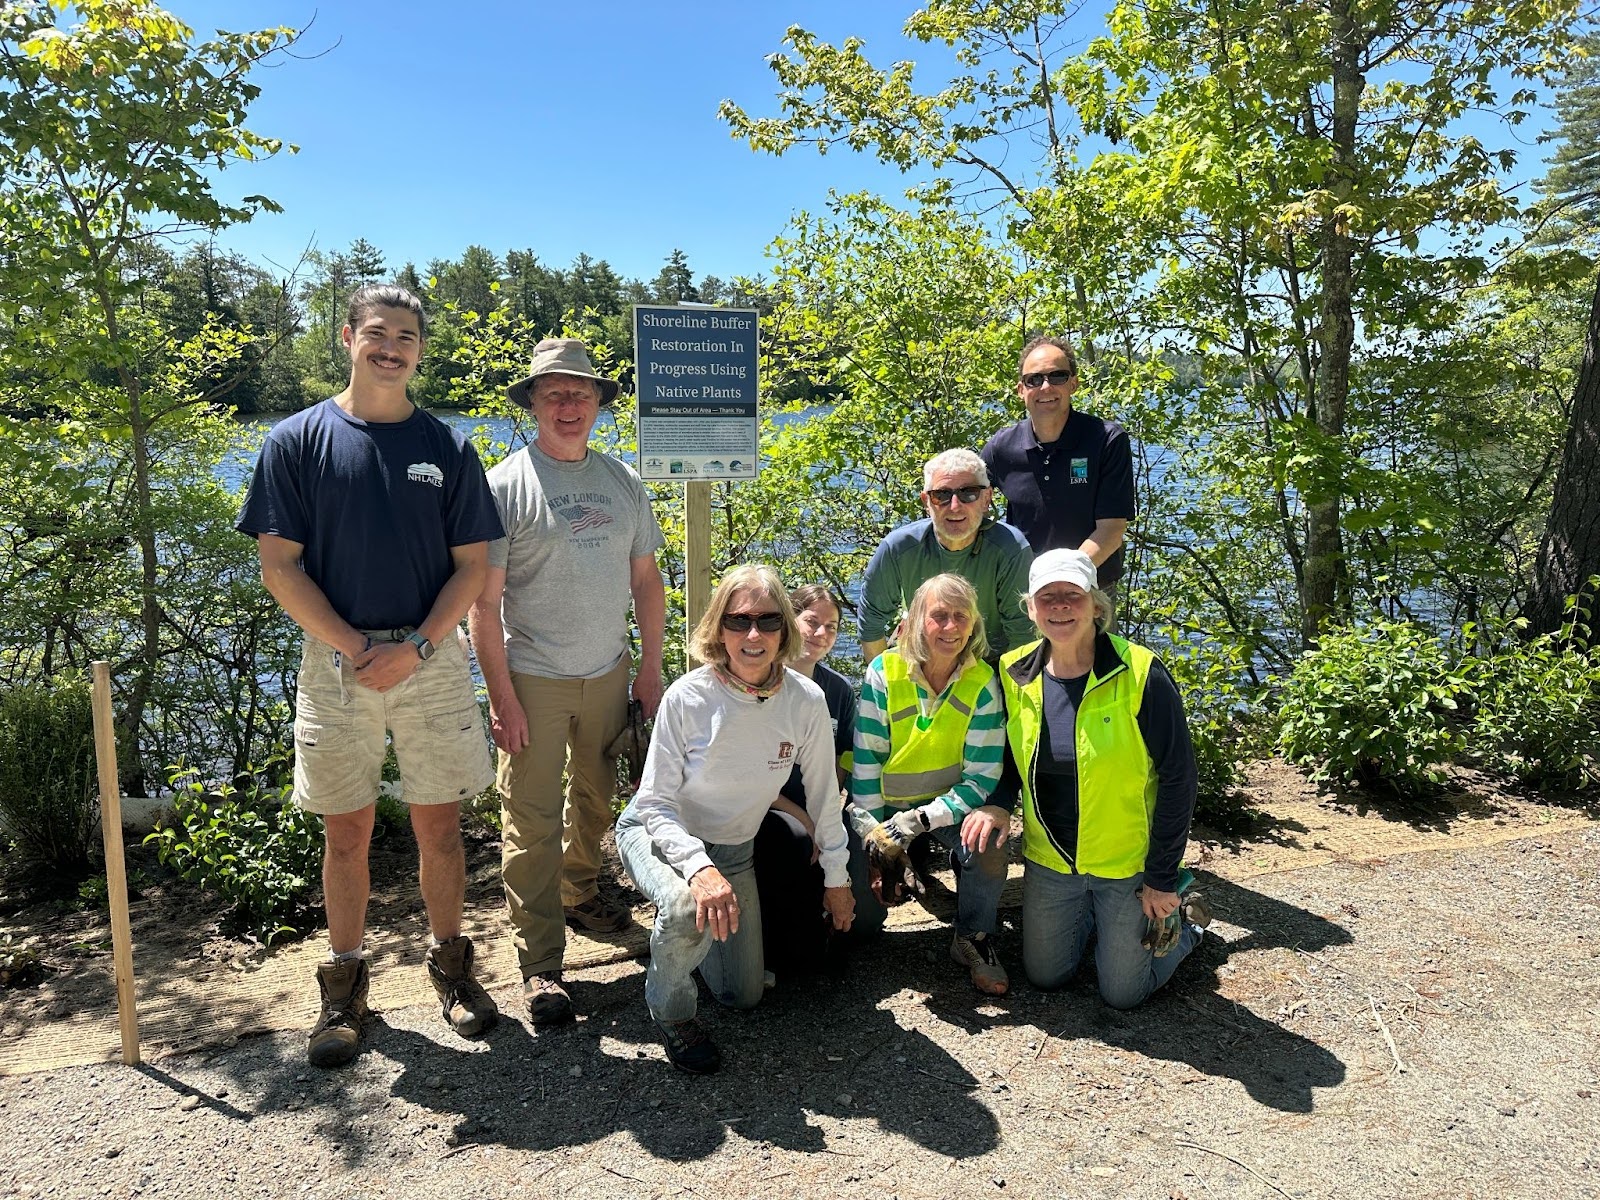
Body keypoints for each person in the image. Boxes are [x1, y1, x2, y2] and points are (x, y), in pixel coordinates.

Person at [237, 284, 503, 1068]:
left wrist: (416, 646)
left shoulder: (448, 448)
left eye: (408, 337)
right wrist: (357, 649)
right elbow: (279, 569)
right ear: (348, 337)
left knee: (440, 827)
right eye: (378, 333)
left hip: (430, 661)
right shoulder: (296, 441)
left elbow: (473, 570)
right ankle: (345, 988)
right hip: (336, 663)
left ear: (422, 350)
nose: (392, 347)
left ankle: (452, 970)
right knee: (345, 830)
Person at [466, 338, 666, 1027]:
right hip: (534, 679)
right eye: (554, 393)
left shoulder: (622, 482)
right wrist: (501, 697)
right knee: (530, 821)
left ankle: (581, 892)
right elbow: (481, 606)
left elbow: (646, 581)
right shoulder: (502, 487)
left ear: (599, 404)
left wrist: (647, 667)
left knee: (598, 802)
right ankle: (540, 964)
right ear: (533, 403)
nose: (569, 404)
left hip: (608, 670)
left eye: (581, 392)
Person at [615, 566, 855, 1074]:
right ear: (717, 628)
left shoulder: (805, 701)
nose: (753, 635)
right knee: (684, 906)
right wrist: (699, 872)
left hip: (734, 850)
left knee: (741, 996)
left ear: (785, 629)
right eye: (738, 620)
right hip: (658, 834)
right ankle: (671, 1010)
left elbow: (825, 797)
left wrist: (838, 880)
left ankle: (683, 946)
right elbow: (655, 803)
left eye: (768, 621)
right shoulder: (688, 696)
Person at [993, 548, 1206, 1009]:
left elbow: (1179, 779)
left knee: (1123, 994)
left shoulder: (1142, 672)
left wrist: (1162, 876)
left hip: (1126, 864)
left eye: (1073, 594)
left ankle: (1187, 923)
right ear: (1030, 608)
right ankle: (1099, 921)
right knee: (1046, 978)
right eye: (1048, 597)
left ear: (1095, 603)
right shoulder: (1013, 674)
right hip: (1052, 862)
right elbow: (1008, 761)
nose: (1061, 606)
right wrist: (995, 803)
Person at [852, 573, 1012, 995]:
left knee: (990, 840)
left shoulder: (982, 683)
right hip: (881, 809)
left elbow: (981, 779)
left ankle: (973, 937)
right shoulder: (883, 672)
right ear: (917, 620)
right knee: (866, 922)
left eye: (962, 617)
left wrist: (916, 823)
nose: (951, 627)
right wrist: (876, 842)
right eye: (939, 615)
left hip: (944, 809)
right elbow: (867, 763)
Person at [980, 337, 1135, 609]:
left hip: (1091, 588)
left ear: (1073, 384)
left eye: (1057, 376)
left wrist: (1065, 577)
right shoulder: (1001, 447)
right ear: (1020, 390)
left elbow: (1112, 530)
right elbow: (965, 504)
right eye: (1034, 380)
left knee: (1094, 655)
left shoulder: (1106, 440)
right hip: (1025, 592)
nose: (1046, 387)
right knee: (1024, 655)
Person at [751, 585, 858, 979]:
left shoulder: (839, 691)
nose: (821, 633)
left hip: (818, 802)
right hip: (766, 804)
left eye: (831, 627)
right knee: (796, 840)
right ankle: (768, 948)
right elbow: (748, 770)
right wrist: (805, 817)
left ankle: (836, 921)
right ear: (789, 621)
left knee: (847, 845)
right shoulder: (761, 679)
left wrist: (828, 807)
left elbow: (845, 754)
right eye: (812, 621)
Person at [858, 449, 1034, 665]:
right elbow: (871, 623)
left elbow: (1024, 635)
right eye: (941, 495)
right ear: (926, 501)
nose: (954, 506)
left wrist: (1006, 692)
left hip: (990, 665)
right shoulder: (898, 548)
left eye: (968, 493)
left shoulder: (1011, 549)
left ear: (986, 498)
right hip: (920, 662)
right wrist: (884, 682)